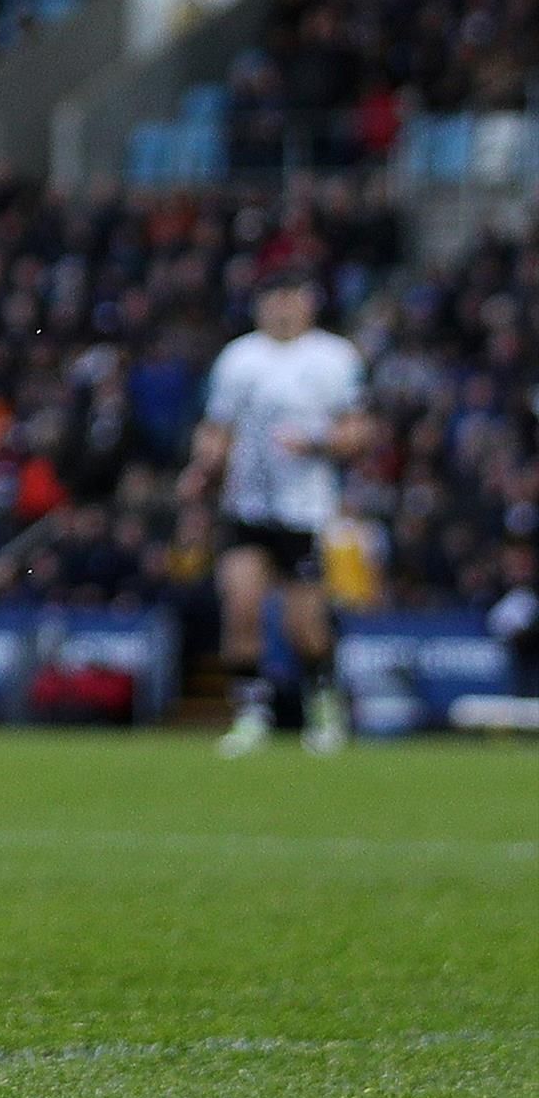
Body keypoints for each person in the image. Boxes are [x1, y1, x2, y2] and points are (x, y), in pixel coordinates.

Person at [182, 267, 370, 757]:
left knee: (304, 625)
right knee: (241, 606)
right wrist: (202, 466)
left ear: (307, 303)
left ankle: (324, 707)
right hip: (247, 506)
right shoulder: (239, 357)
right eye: (272, 299)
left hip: (305, 510)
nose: (281, 308)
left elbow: (356, 432)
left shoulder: (333, 357)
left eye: (290, 298)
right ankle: (250, 713)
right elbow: (216, 427)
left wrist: (316, 442)